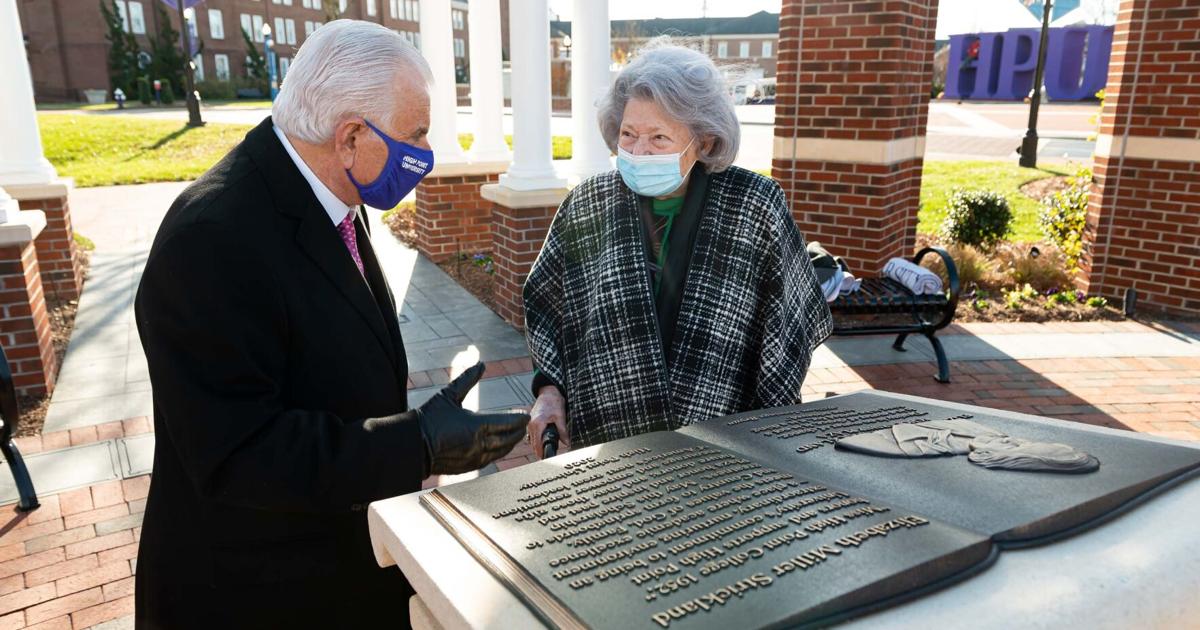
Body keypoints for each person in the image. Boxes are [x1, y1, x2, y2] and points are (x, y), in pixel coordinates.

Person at [133, 20, 528, 629]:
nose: (425, 154)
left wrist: (415, 427)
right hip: (255, 594)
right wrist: (415, 443)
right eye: (416, 136)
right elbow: (238, 452)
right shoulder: (212, 239)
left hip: (333, 563)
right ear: (349, 137)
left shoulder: (328, 193)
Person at [523, 41, 832, 458]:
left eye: (659, 137)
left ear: (703, 141)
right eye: (628, 134)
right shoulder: (589, 203)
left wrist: (771, 427)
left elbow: (789, 320)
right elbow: (547, 304)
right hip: (609, 439)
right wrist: (548, 389)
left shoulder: (754, 203)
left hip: (726, 442)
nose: (637, 151)